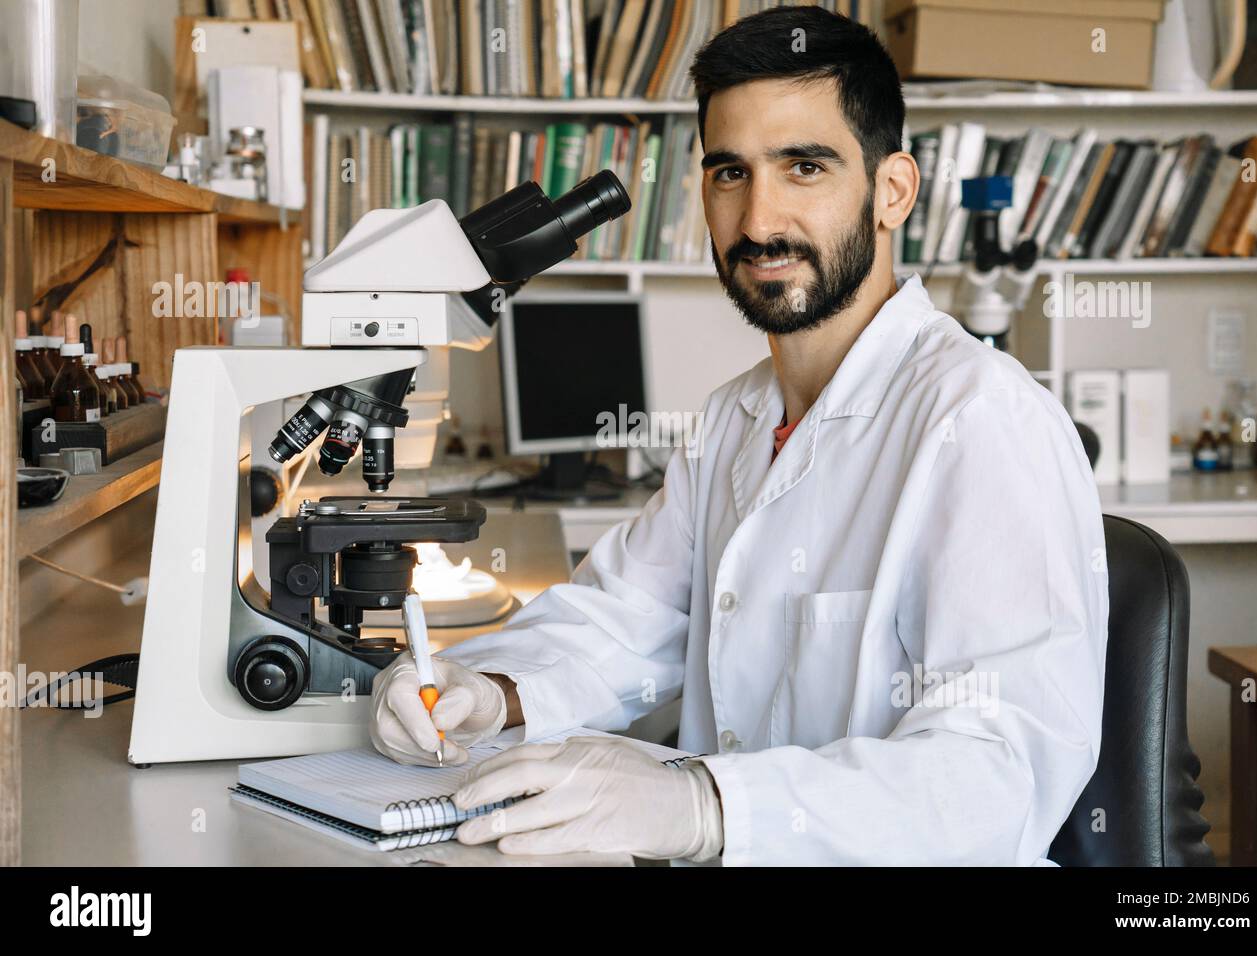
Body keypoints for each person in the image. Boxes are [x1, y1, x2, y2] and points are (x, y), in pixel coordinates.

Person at [369, 5, 1108, 865]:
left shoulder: (981, 421)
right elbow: (631, 620)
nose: (759, 220)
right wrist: (484, 692)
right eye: (730, 173)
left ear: (893, 190)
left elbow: (999, 776)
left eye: (804, 166)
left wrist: (707, 805)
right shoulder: (735, 417)